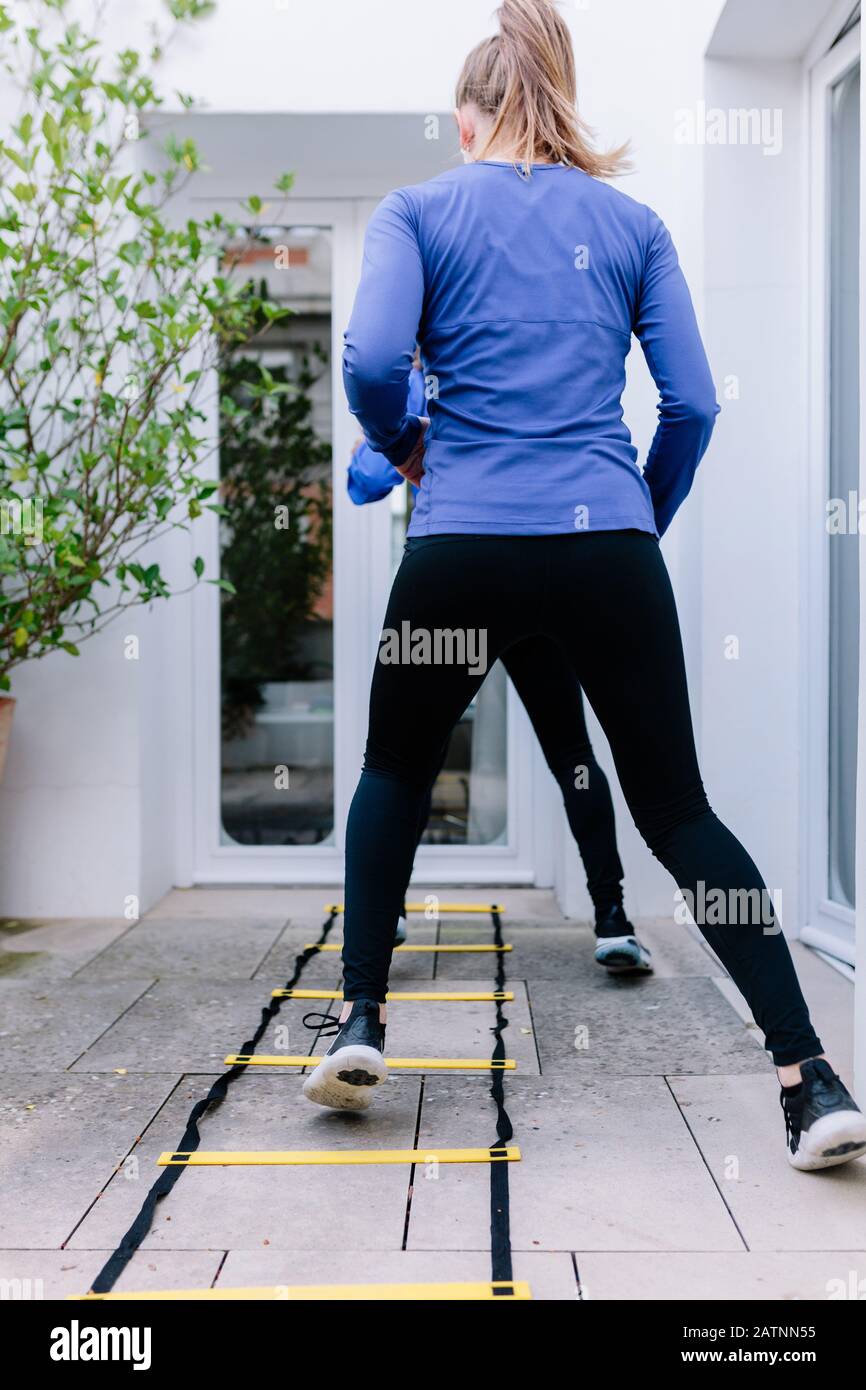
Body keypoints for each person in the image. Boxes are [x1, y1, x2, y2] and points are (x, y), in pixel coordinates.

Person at [304, 0, 866, 1174]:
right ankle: (805, 1075)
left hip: (458, 545)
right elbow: (694, 404)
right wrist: (632, 525)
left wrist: (407, 440)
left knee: (395, 770)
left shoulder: (418, 208)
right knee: (678, 811)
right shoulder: (631, 223)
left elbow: (364, 361)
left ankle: (359, 1018)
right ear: (552, 104)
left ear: (468, 119)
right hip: (606, 547)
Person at [347, 361, 651, 972]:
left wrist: (387, 440)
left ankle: (389, 915)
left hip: (461, 578)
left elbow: (366, 478)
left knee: (409, 765)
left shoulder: (423, 377)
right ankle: (613, 918)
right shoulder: (534, 371)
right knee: (572, 754)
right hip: (543, 584)